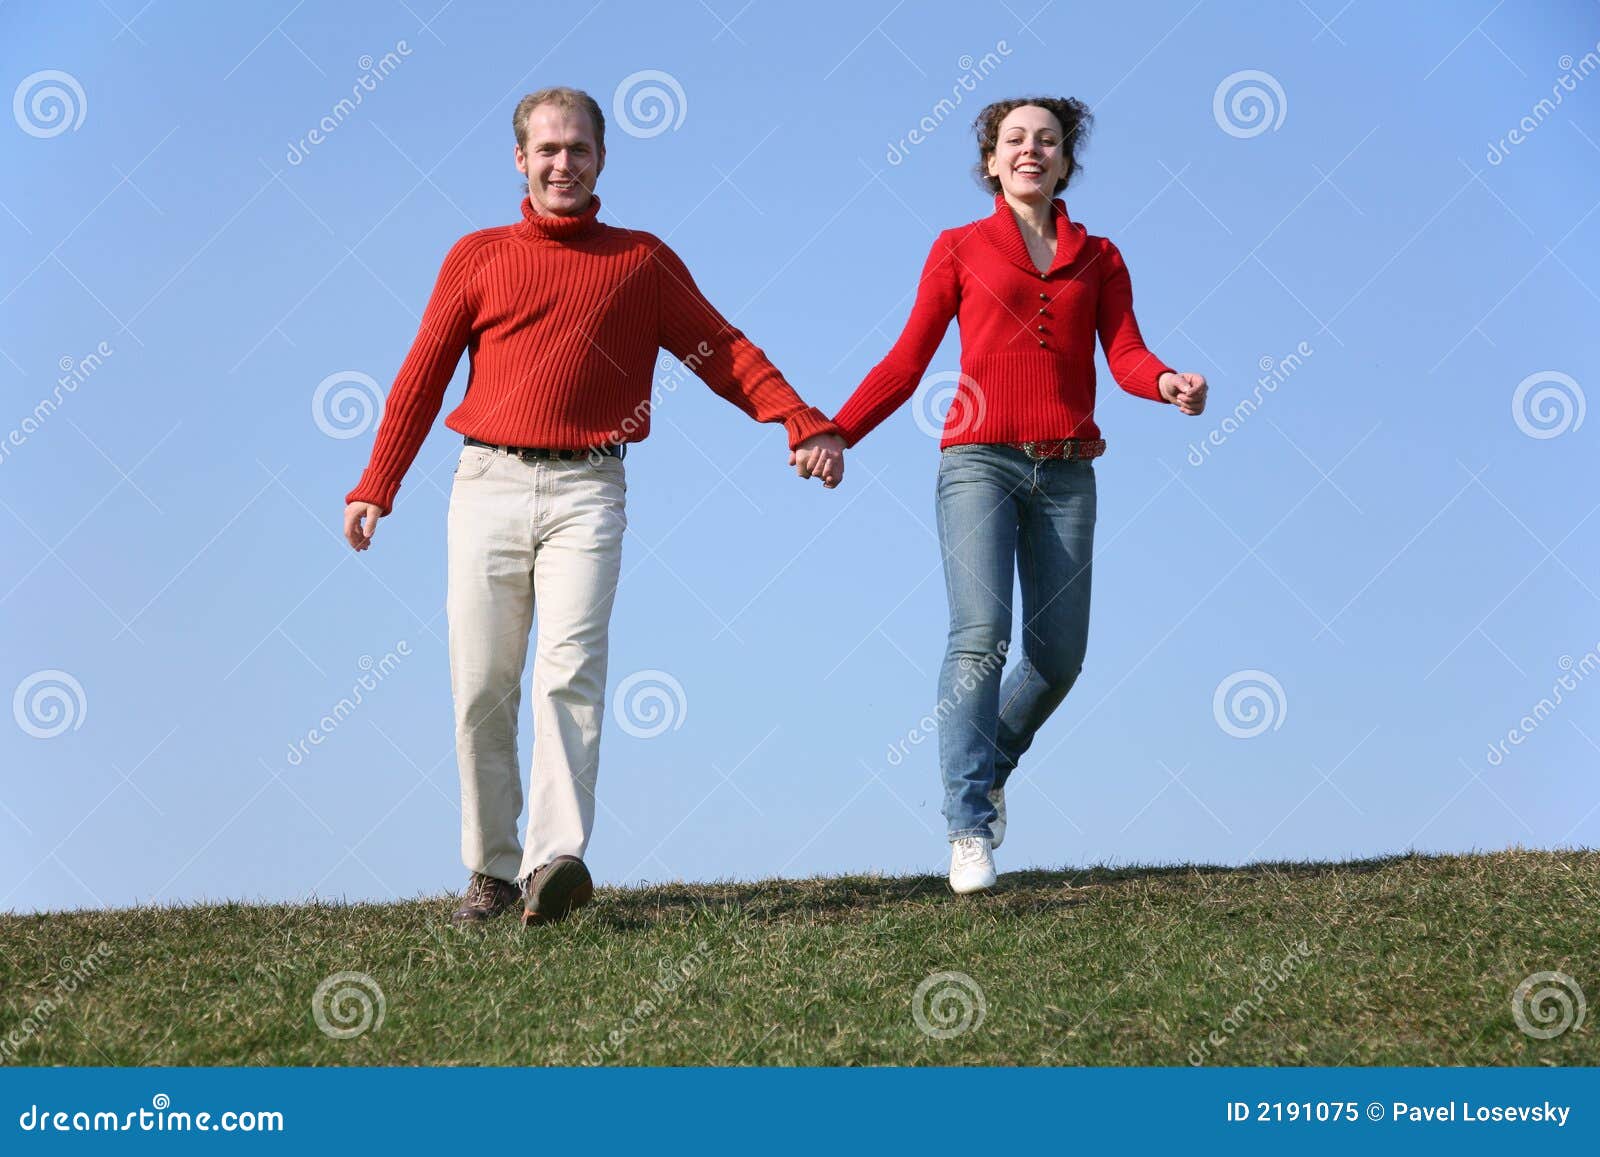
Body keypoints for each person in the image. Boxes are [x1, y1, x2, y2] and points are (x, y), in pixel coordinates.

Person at [343, 86, 846, 927]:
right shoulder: (476, 256)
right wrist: (375, 484)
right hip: (487, 485)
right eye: (547, 150)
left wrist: (800, 418)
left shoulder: (640, 262)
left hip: (589, 489)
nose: (563, 163)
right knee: (481, 686)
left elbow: (720, 351)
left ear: (602, 158)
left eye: (578, 148)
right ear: (520, 160)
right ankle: (492, 869)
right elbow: (422, 376)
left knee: (569, 672)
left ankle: (555, 861)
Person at [801, 96, 1207, 894]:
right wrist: (839, 428)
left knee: (1058, 657)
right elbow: (908, 360)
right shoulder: (959, 248)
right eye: (1014, 140)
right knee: (979, 634)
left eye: (1046, 141)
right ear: (991, 160)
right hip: (978, 462)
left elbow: (1124, 353)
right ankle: (966, 828)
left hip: (1067, 470)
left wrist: (1166, 383)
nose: (1031, 150)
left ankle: (987, 773)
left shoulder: (1101, 257)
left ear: (1064, 162)